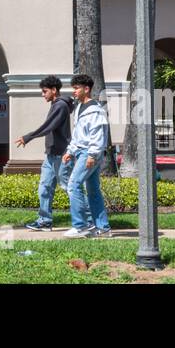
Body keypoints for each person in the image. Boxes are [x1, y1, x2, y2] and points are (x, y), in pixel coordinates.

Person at [16, 75, 75, 231]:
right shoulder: (56, 105)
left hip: (61, 155)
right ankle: (44, 221)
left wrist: (28, 137)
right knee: (44, 188)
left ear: (54, 90)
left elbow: (47, 126)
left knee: (70, 188)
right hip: (51, 155)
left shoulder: (60, 106)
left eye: (44, 91)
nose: (43, 95)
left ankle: (88, 220)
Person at [61, 73, 112, 238]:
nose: (74, 91)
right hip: (82, 151)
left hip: (89, 153)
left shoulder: (95, 110)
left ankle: (80, 225)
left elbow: (97, 134)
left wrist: (92, 155)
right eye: (73, 88)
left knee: (73, 185)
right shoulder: (79, 108)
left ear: (86, 89)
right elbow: (78, 134)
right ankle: (102, 228)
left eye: (76, 88)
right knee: (93, 191)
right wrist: (69, 151)